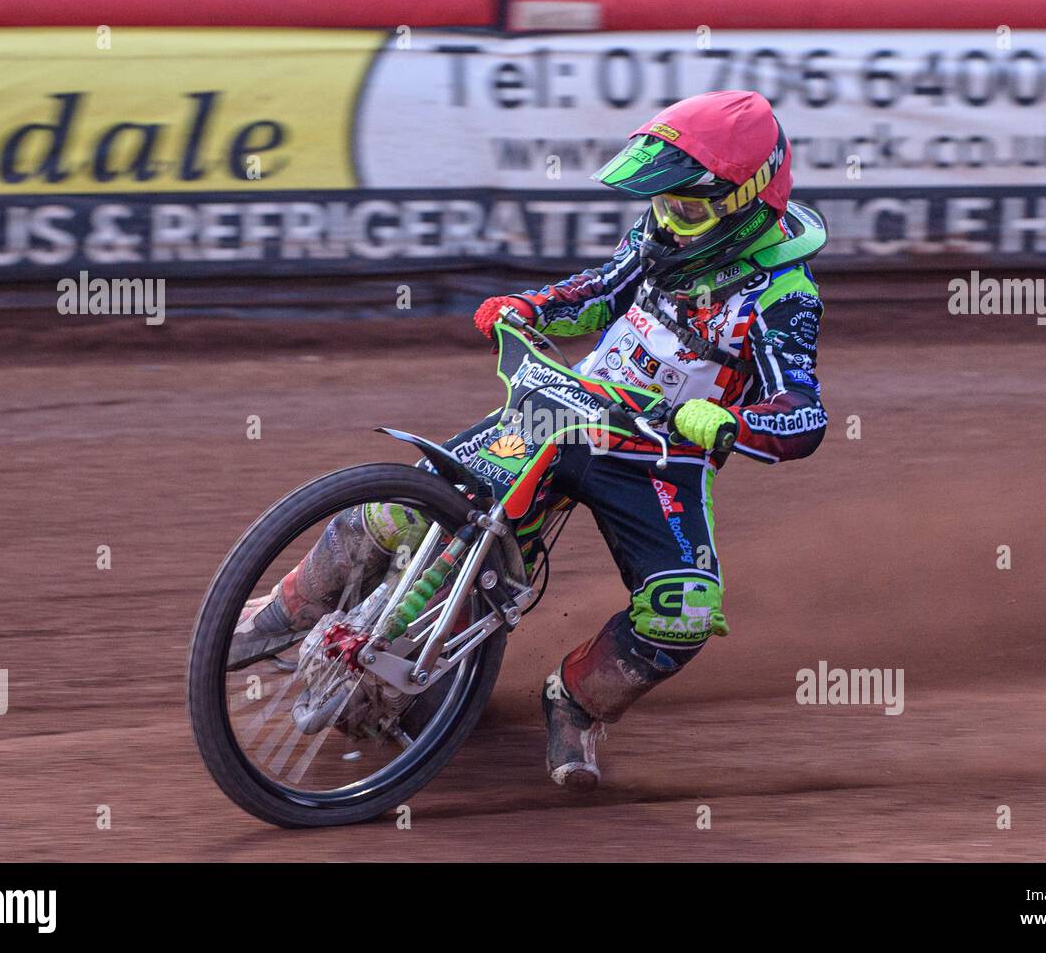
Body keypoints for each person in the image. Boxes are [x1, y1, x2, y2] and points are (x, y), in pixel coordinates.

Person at [238, 90, 829, 791]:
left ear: (745, 203)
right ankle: (286, 608)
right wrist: (531, 305)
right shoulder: (660, 235)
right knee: (414, 503)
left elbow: (804, 412)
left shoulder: (782, 296)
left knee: (684, 611)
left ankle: (573, 703)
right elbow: (602, 291)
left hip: (657, 456)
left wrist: (732, 423)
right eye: (665, 203)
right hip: (567, 409)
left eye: (688, 207)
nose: (668, 220)